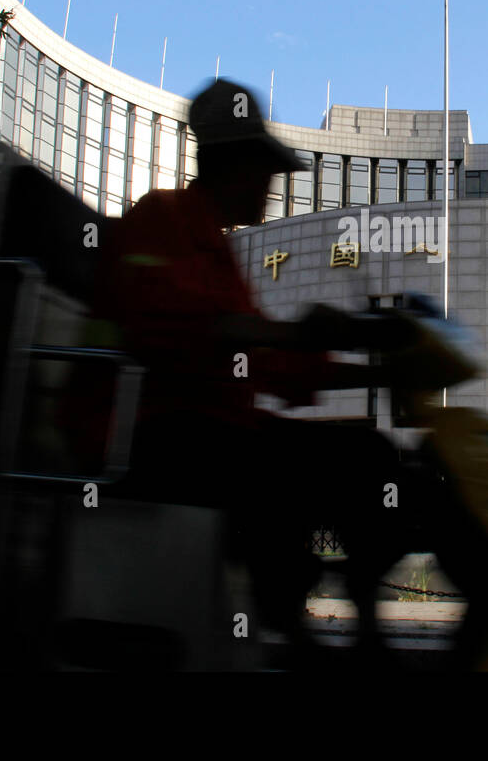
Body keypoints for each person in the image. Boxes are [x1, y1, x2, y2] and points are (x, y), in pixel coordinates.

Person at [90, 79, 414, 662]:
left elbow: (272, 362)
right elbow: (186, 325)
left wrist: (379, 371)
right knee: (275, 468)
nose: (270, 187)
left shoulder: (218, 251)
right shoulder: (158, 219)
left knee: (372, 456)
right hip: (160, 435)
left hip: (219, 433)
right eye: (265, 171)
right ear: (234, 164)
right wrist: (303, 333)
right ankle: (291, 620)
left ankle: (362, 628)